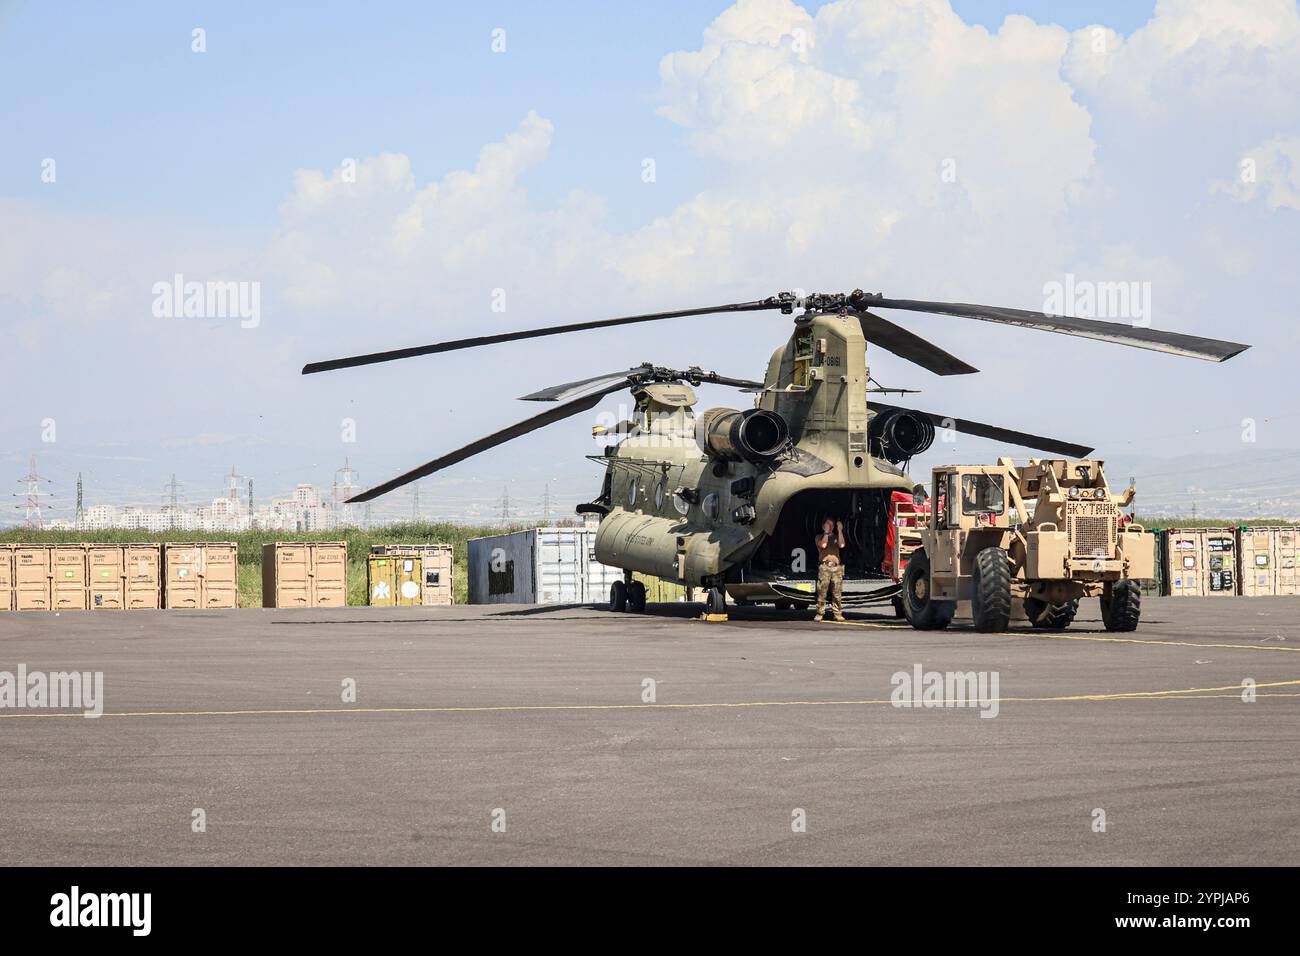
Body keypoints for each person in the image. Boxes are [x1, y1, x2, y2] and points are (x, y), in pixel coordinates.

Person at [813, 517, 847, 622]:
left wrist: (840, 530)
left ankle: (837, 613)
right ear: (823, 526)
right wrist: (826, 533)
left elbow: (842, 545)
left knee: (837, 592)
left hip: (836, 567)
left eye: (832, 525)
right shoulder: (819, 537)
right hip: (825, 567)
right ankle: (820, 613)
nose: (830, 527)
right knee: (822, 591)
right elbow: (823, 545)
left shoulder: (836, 537)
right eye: (828, 525)